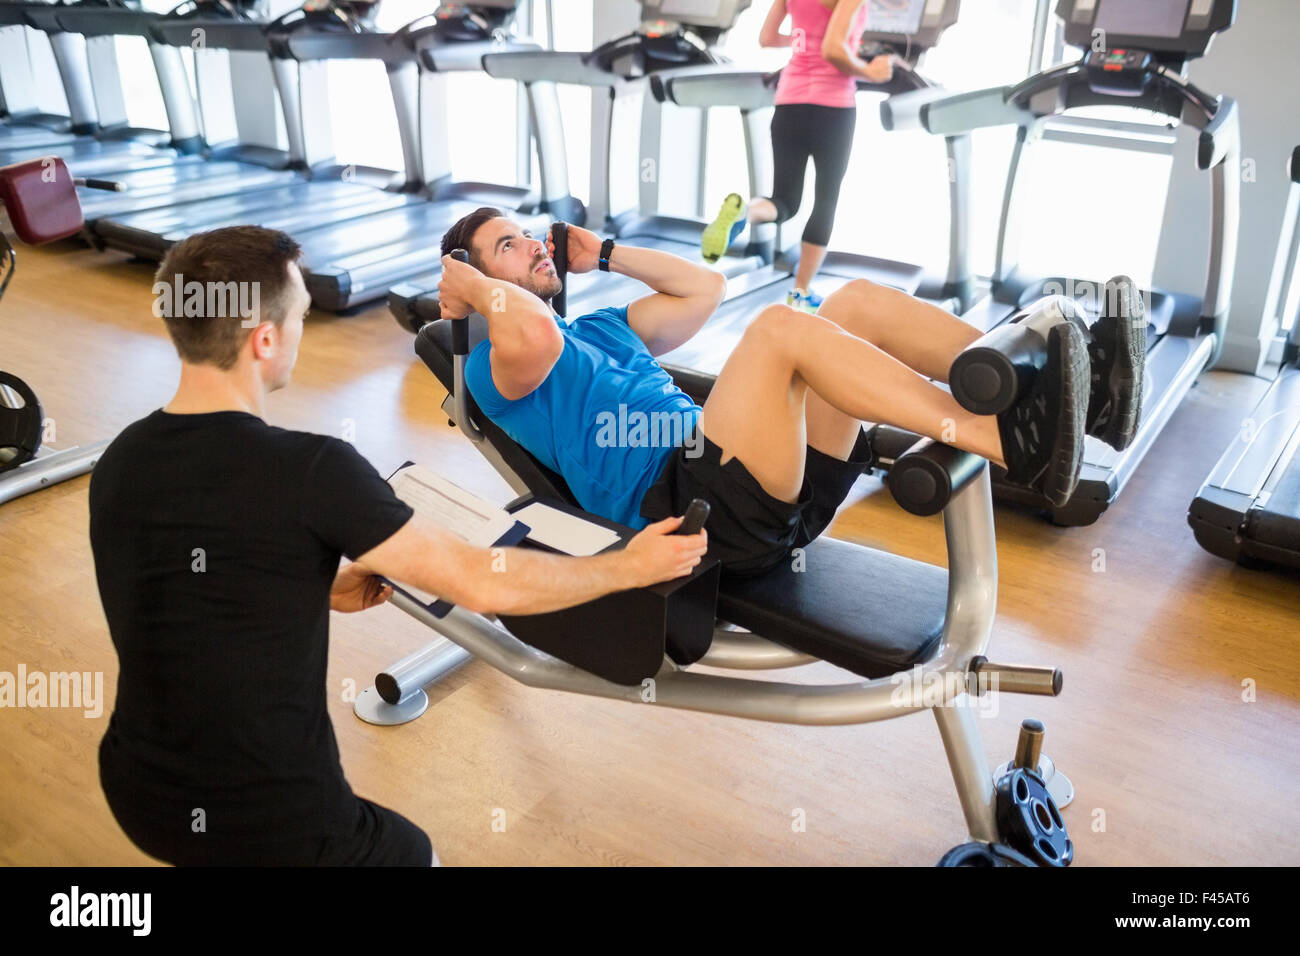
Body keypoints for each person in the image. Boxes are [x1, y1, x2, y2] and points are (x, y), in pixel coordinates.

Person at [89, 226, 707, 867]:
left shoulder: (121, 459)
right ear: (265, 339)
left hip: (135, 789)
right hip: (276, 819)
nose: (301, 330)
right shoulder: (312, 470)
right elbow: (482, 582)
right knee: (415, 855)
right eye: (300, 316)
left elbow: (179, 578)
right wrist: (624, 567)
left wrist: (312, 582)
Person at [436, 209, 1146, 577]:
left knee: (858, 300)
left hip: (758, 485)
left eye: (528, 234)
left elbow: (704, 289)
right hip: (692, 515)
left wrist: (608, 255)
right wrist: (468, 290)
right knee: (780, 330)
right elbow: (529, 334)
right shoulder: (495, 372)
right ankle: (1005, 444)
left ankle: (1054, 396)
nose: (533, 244)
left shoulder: (604, 327)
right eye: (508, 245)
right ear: (474, 278)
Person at [701, 0, 897, 312]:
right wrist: (870, 71)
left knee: (785, 201)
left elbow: (767, 38)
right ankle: (801, 292)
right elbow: (833, 50)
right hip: (832, 107)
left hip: (789, 102)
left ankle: (743, 213)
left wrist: (805, 40)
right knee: (825, 200)